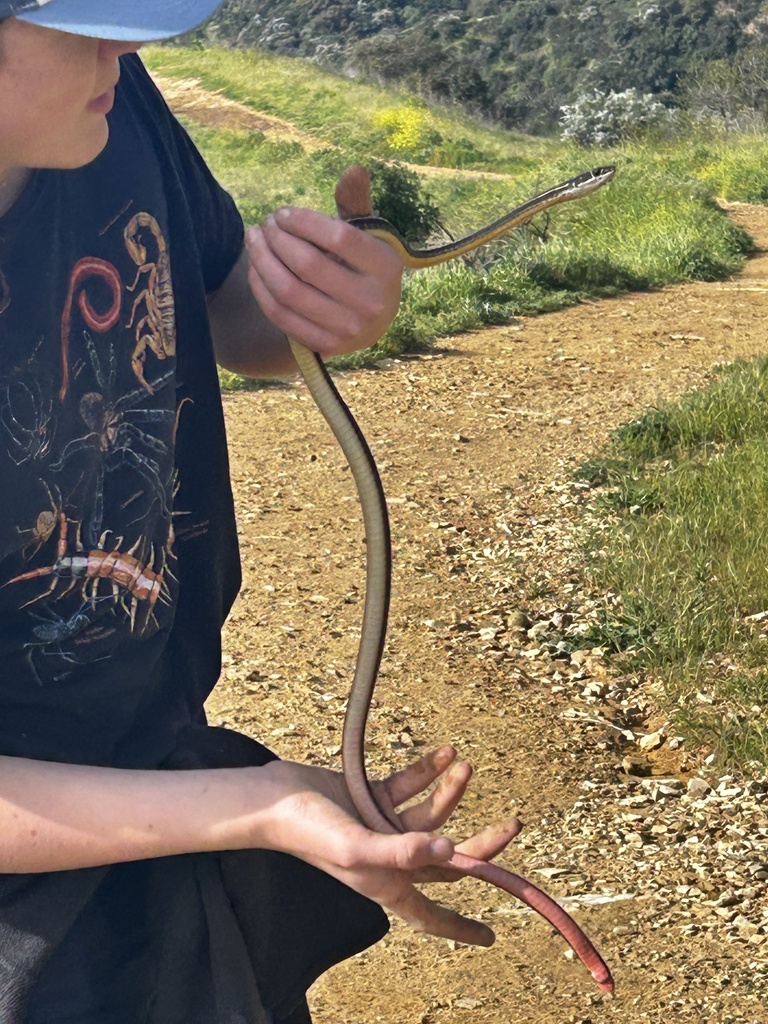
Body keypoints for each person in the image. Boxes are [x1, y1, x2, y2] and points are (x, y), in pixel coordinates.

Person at [0, 2, 520, 1021]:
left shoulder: (108, 103)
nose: (133, 48)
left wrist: (317, 308)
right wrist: (258, 804)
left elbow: (221, 295)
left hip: (163, 780)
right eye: (83, 24)